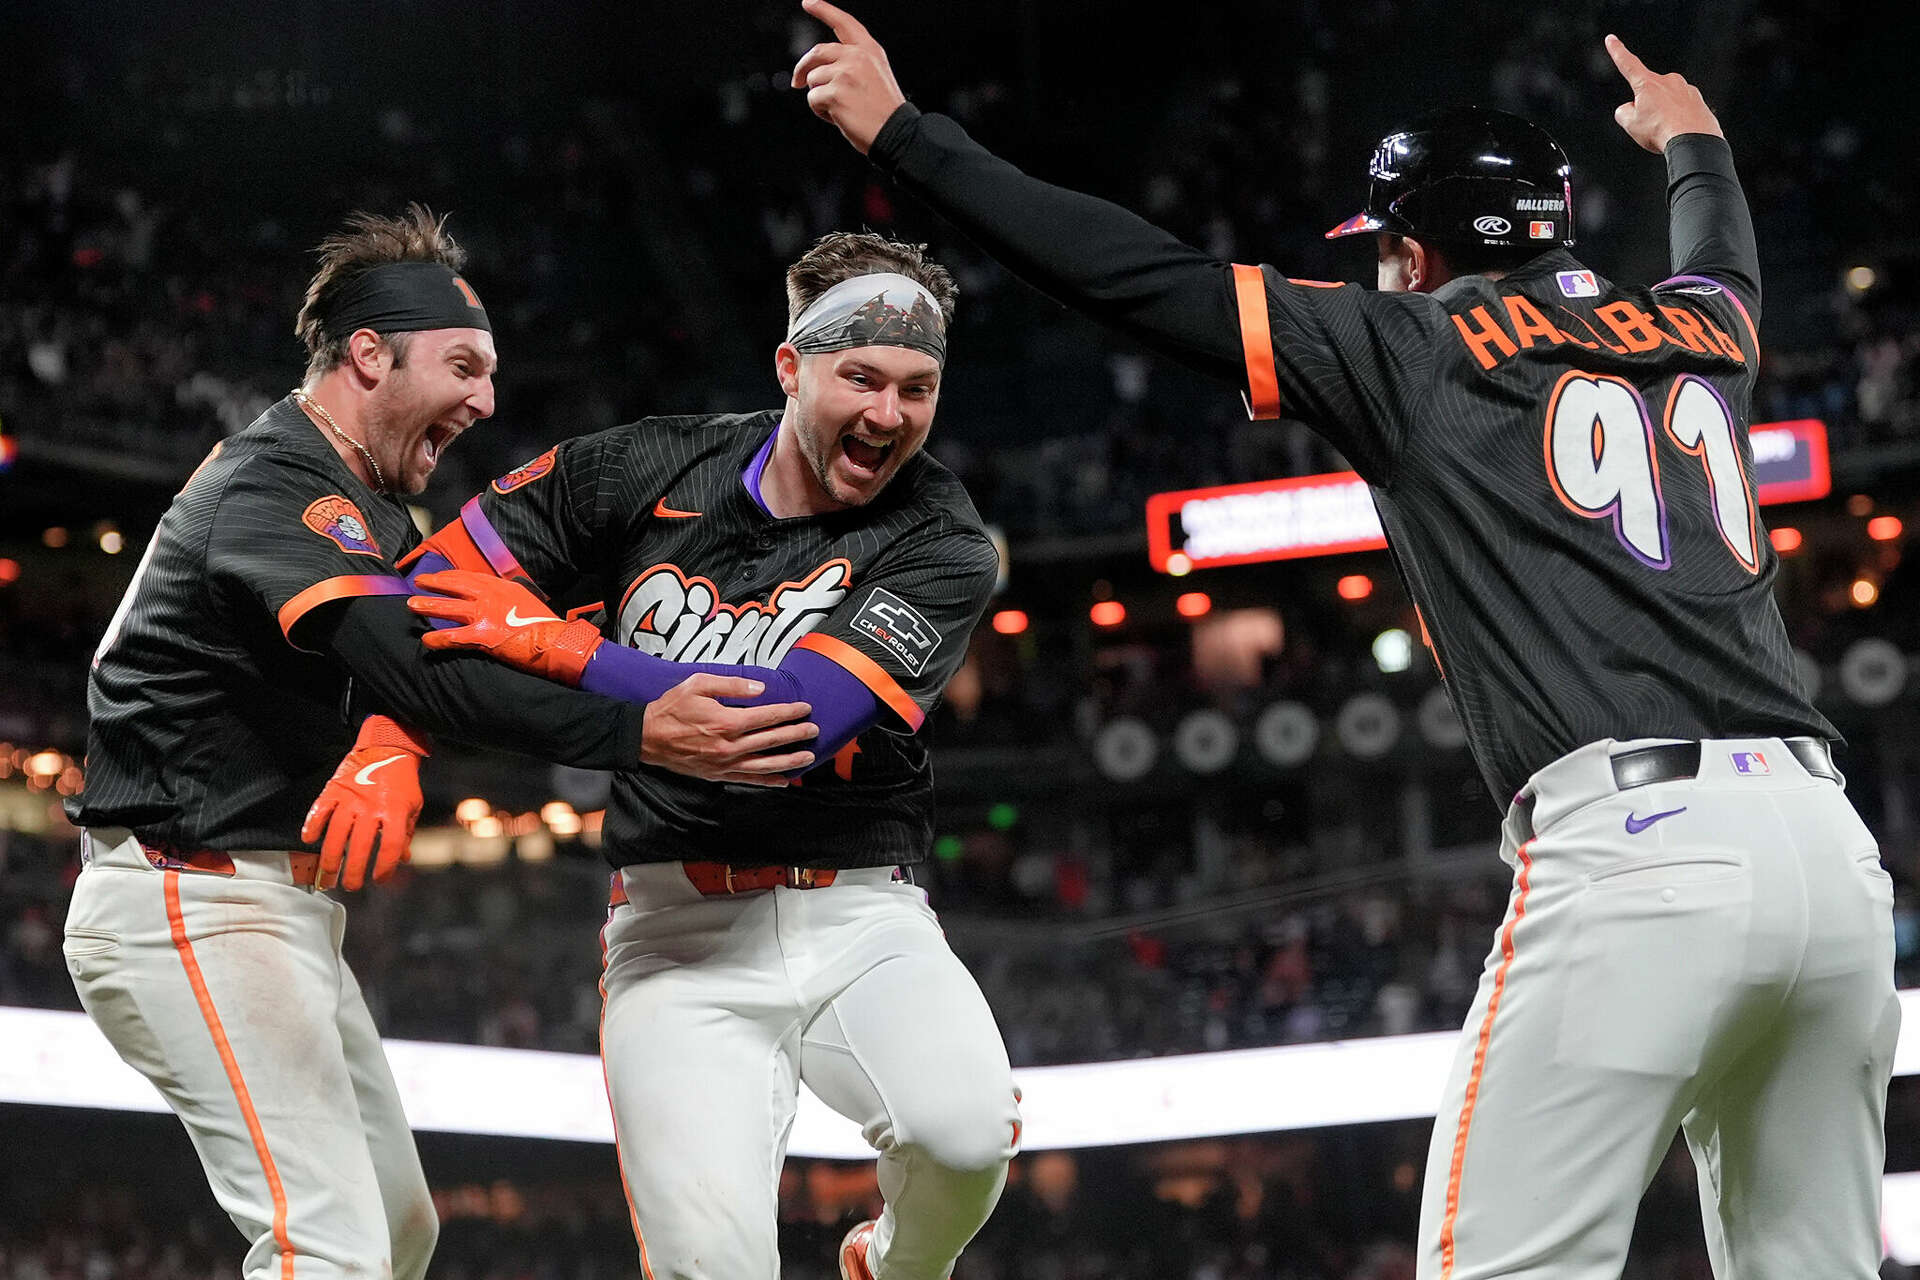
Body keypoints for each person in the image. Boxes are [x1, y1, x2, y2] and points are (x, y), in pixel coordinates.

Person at [795, 9, 1895, 1278]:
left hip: (1637, 859)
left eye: (1385, 248)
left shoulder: (1414, 345)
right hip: (1831, 855)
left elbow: (1138, 276)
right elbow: (1721, 255)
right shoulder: (1708, 330)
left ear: (1417, 255)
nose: (1379, 270)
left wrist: (906, 138)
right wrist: (1695, 140)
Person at [61, 206, 811, 1280]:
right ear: (369, 356)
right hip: (189, 897)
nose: (486, 399)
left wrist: (411, 732)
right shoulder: (279, 484)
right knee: (329, 1243)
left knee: (398, 1230)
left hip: (265, 906)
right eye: (463, 364)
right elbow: (418, 663)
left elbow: (423, 664)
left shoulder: (359, 500)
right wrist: (641, 723)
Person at [398, 230, 1019, 1280]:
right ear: (791, 367)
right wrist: (389, 730)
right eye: (860, 376)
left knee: (962, 1140)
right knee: (708, 1266)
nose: (888, 413)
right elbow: (435, 580)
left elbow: (783, 729)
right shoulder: (646, 464)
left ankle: (893, 1261)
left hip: (861, 908)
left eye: (918, 388)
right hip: (676, 931)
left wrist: (554, 643)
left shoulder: (942, 536)